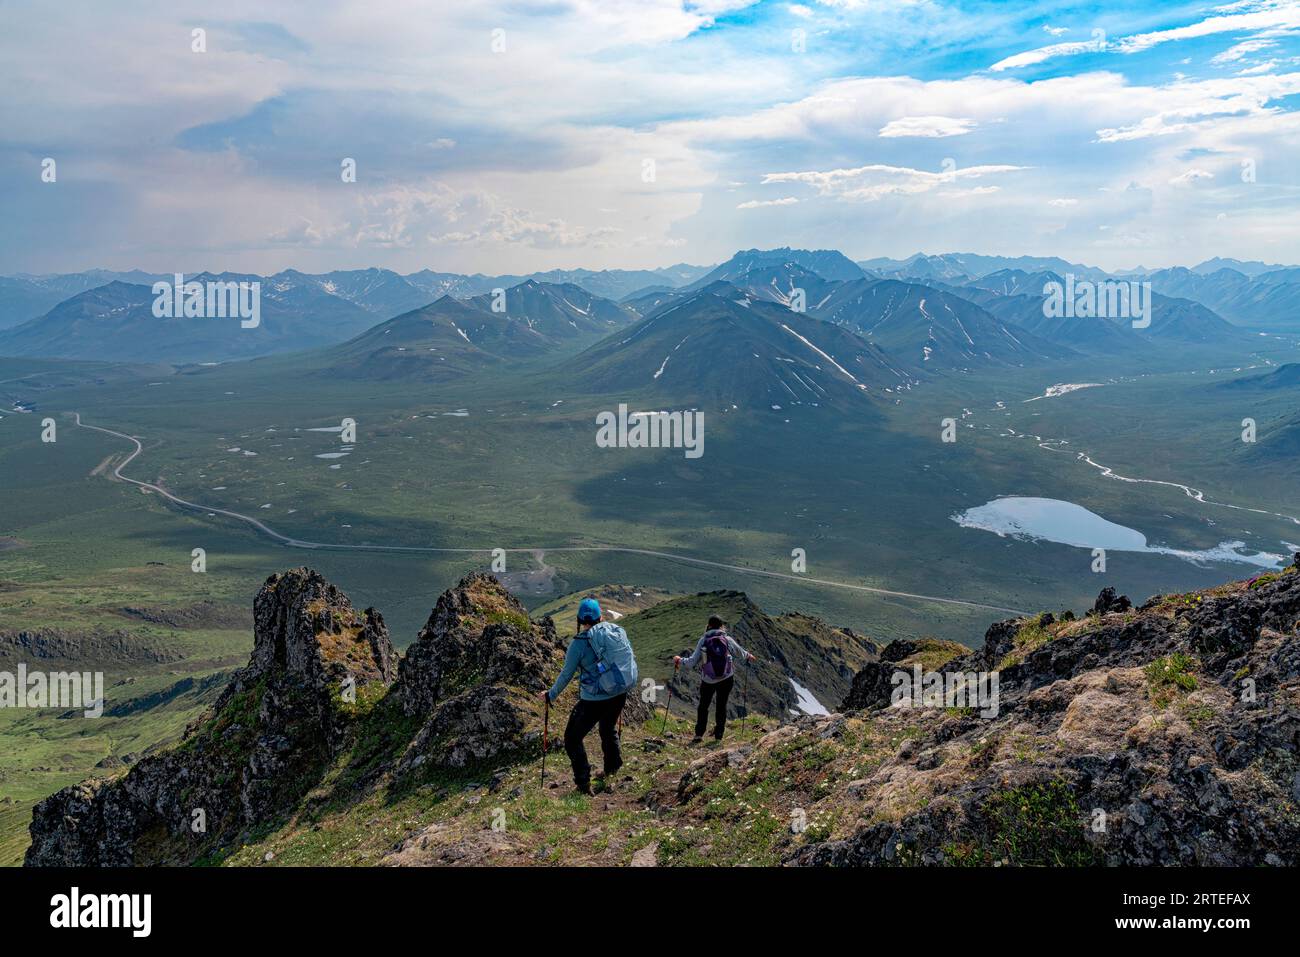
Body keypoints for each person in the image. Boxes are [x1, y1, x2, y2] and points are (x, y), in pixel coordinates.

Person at [540, 597, 638, 795]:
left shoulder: (578, 645)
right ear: (600, 617)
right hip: (619, 692)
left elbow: (566, 674)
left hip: (593, 700)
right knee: (607, 728)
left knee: (572, 738)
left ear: (579, 620)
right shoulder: (615, 632)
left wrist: (551, 695)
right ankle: (613, 767)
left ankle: (583, 783)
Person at [674, 615, 755, 744]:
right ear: (722, 626)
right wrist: (748, 656)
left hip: (708, 679)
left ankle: (699, 735)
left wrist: (679, 660)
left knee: (703, 706)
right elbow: (740, 653)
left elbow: (692, 662)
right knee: (721, 706)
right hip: (726, 677)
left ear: (709, 625)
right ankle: (718, 737)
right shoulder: (727, 639)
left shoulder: (703, 640)